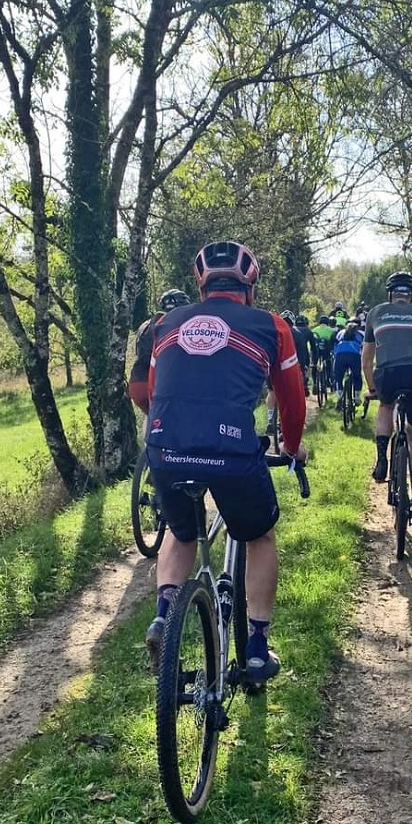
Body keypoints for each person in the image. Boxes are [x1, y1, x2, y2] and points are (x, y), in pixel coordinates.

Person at [144, 241, 307, 681]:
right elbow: (292, 403)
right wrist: (292, 448)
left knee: (180, 534)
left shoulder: (165, 324)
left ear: (201, 287)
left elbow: (155, 390)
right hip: (231, 450)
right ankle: (256, 648)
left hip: (165, 446)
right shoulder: (272, 326)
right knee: (259, 536)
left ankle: (163, 615)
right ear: (249, 286)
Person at [362, 270, 412, 526]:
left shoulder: (376, 313)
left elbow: (366, 359)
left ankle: (382, 458)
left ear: (390, 294)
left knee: (385, 406)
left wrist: (373, 387)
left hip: (388, 374)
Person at [128, 288, 190, 414]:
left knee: (153, 419)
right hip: (156, 383)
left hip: (136, 382)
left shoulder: (146, 325)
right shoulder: (173, 325)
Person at [332, 318, 363, 401]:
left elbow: (334, 343)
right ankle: (357, 397)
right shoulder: (360, 334)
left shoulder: (340, 333)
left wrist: (335, 355)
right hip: (354, 356)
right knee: (357, 376)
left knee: (338, 377)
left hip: (340, 356)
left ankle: (339, 395)